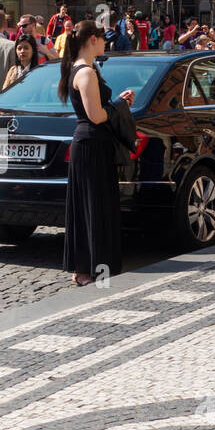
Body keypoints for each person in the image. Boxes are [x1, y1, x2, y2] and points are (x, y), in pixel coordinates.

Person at [56, 20, 132, 287]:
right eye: (102, 38)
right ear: (91, 40)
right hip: (91, 144)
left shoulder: (82, 68)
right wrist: (120, 105)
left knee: (90, 206)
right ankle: (86, 268)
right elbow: (97, 115)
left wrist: (116, 103)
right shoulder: (85, 72)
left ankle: (88, 267)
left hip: (90, 143)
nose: (105, 41)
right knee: (92, 207)